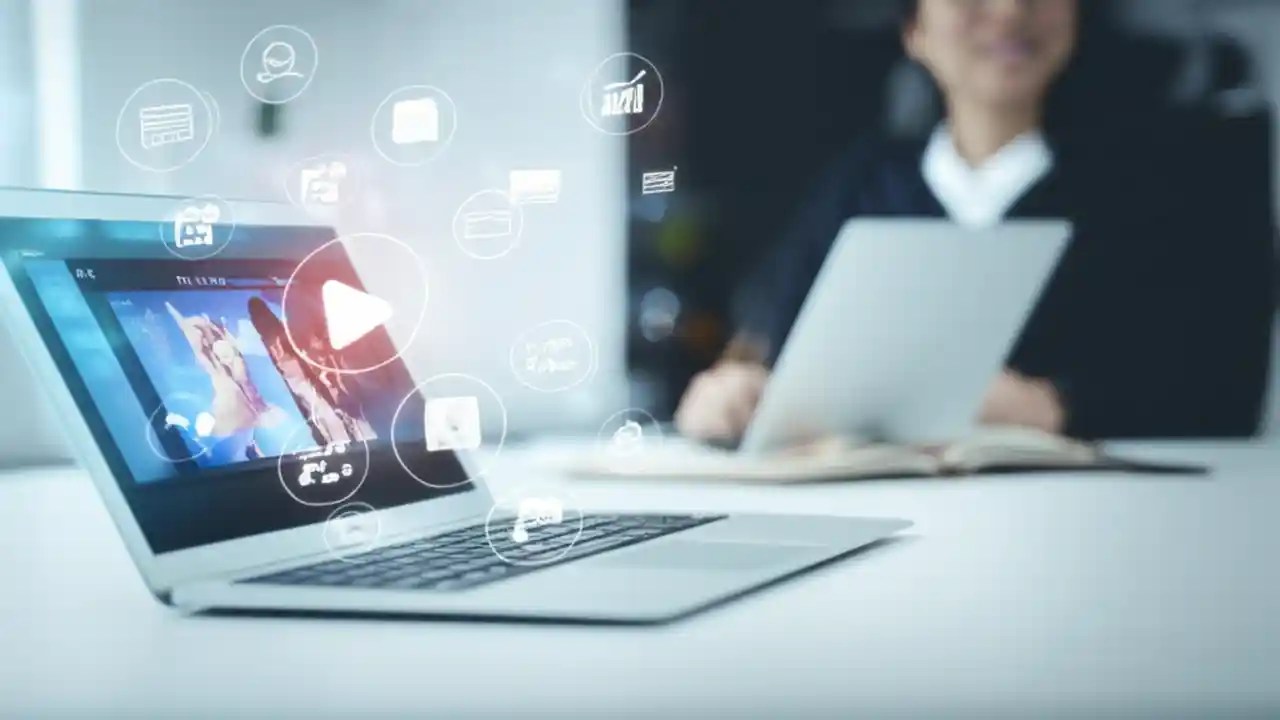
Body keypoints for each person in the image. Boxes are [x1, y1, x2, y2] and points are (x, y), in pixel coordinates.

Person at [676, 0, 1274, 443]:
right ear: (914, 28)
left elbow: (1217, 390)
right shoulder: (861, 185)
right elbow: (768, 346)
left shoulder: (1159, 190)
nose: (1011, 11)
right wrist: (732, 393)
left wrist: (1055, 408)